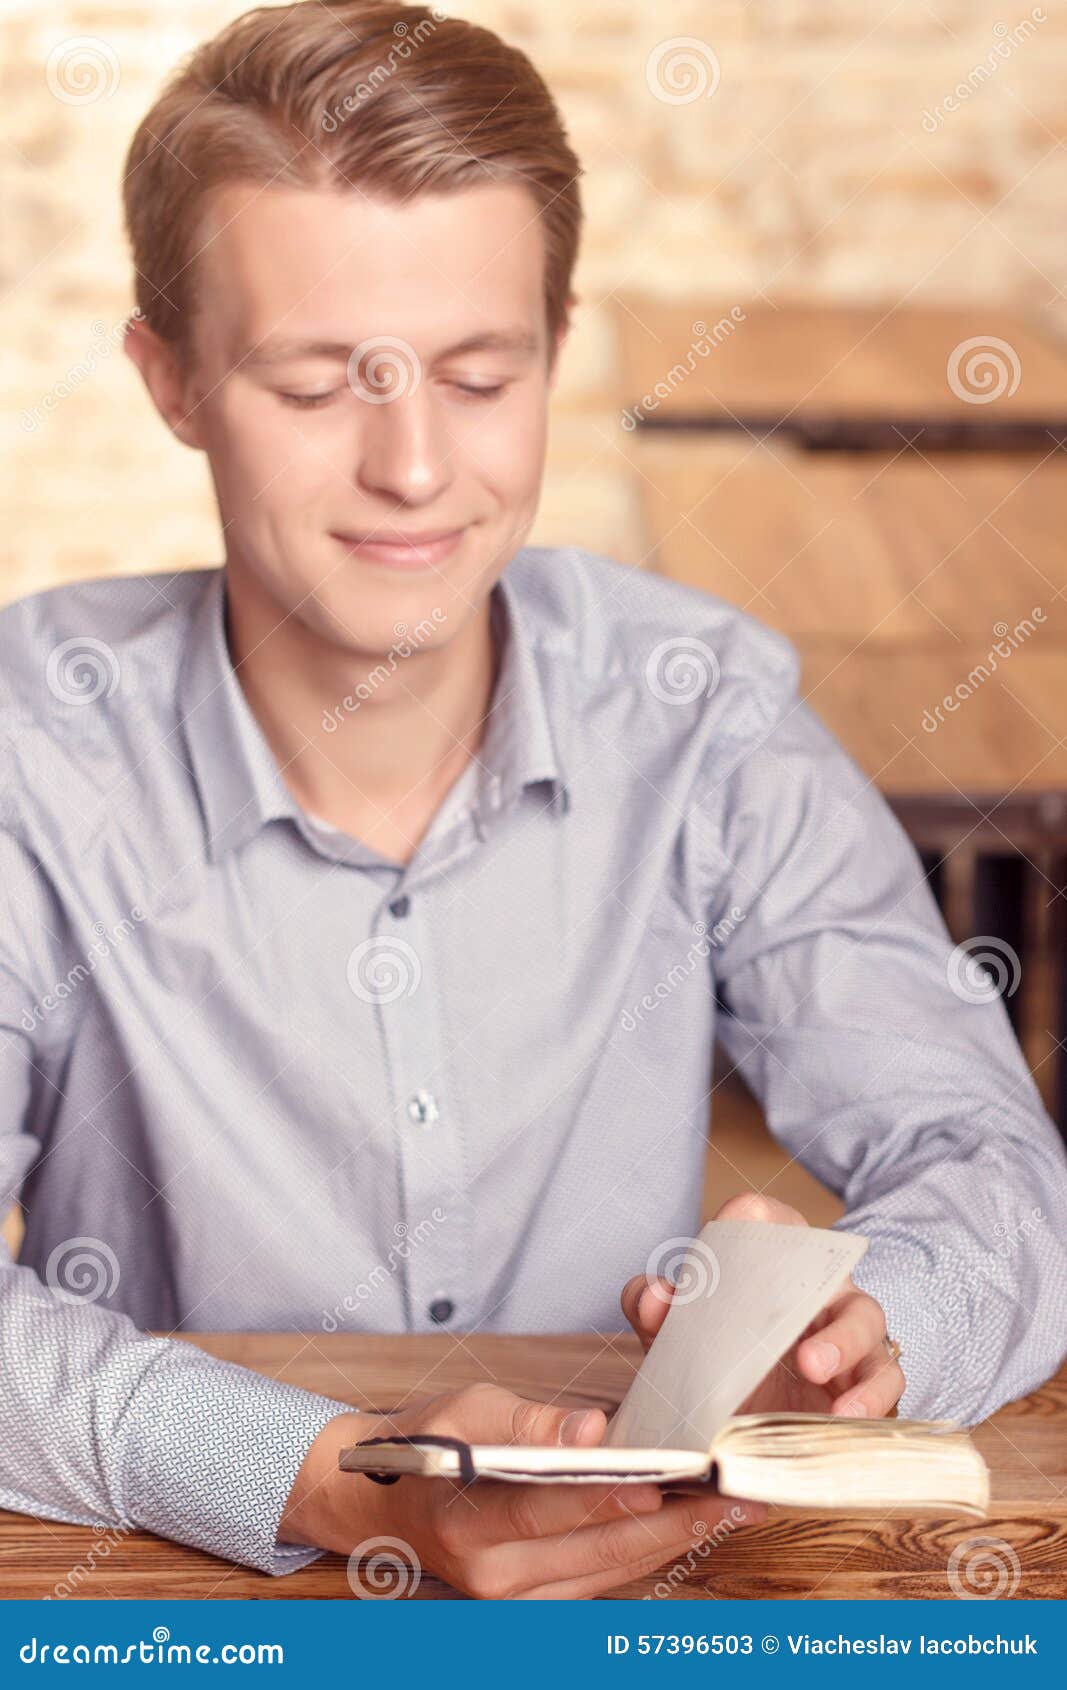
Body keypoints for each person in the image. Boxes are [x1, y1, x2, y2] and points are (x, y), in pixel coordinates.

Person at [2, 1, 1064, 1601]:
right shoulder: (33, 742)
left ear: (557, 350)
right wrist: (339, 1479)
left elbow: (994, 1158)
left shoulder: (704, 718)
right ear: (170, 381)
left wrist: (879, 1328)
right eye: (314, 386)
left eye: (480, 374)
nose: (417, 468)